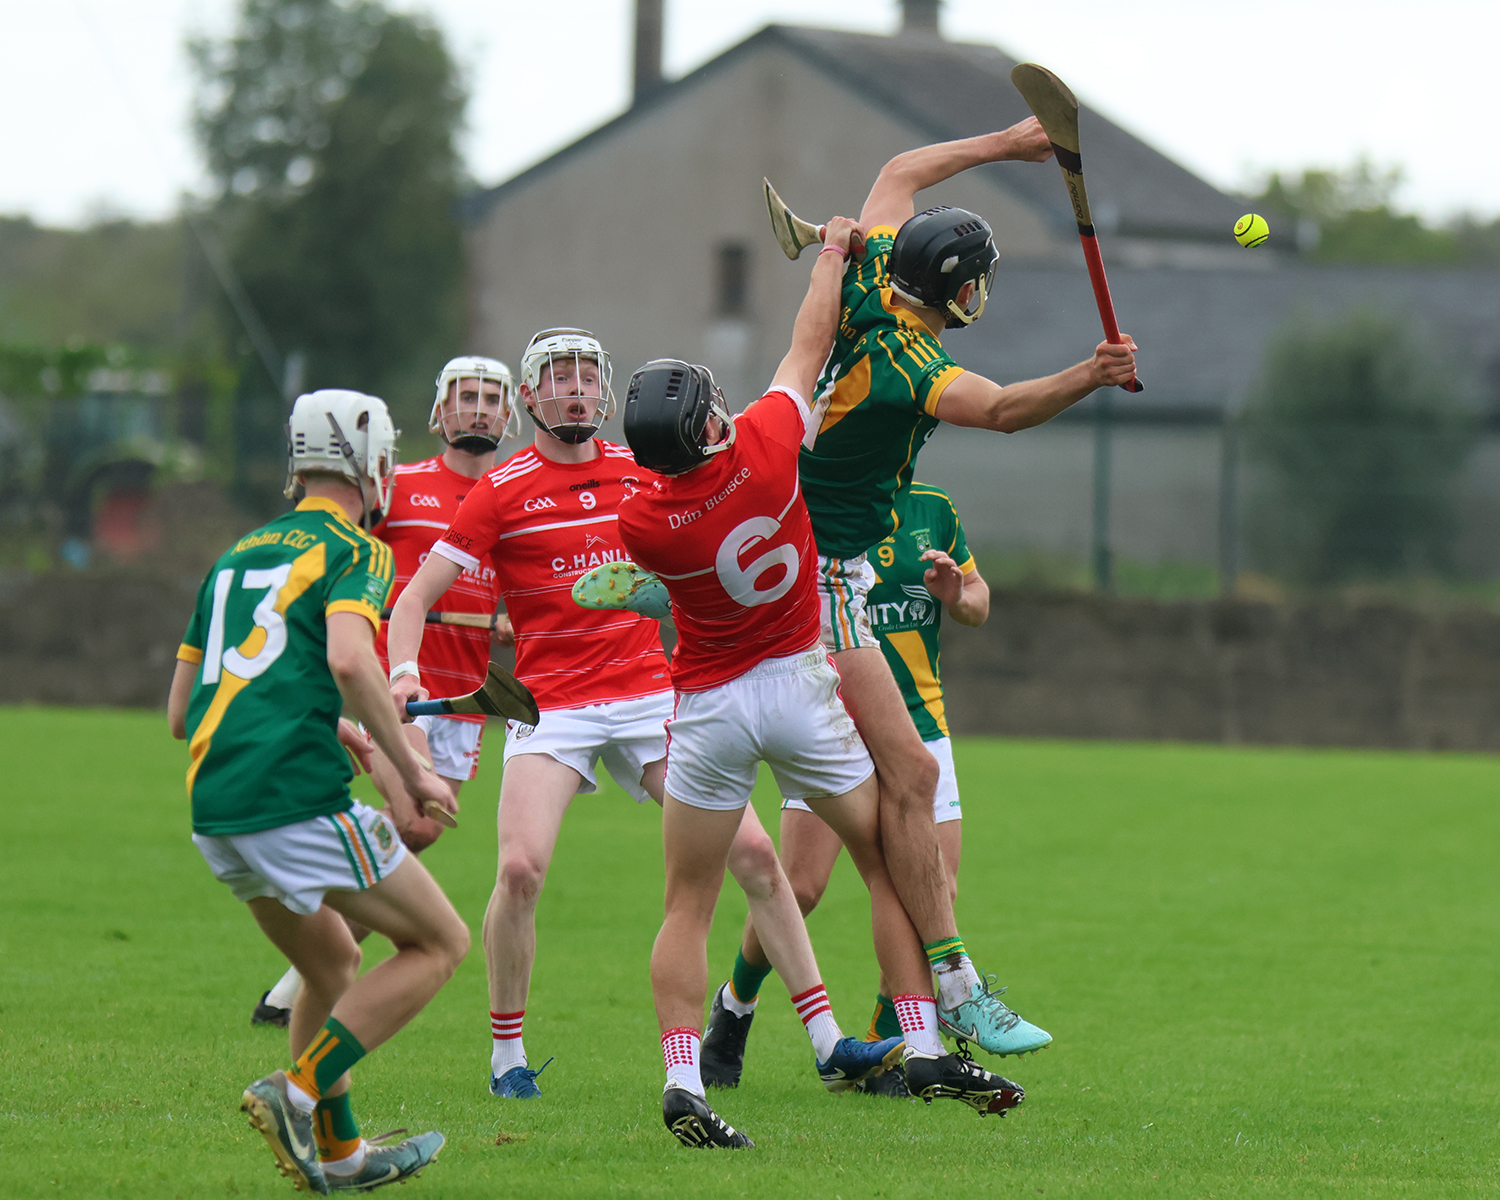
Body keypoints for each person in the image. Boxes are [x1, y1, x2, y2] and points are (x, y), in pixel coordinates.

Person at [615, 216, 1022, 1150]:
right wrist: (835, 250)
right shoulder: (767, 448)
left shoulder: (645, 523)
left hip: (710, 710)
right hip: (801, 687)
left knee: (688, 903)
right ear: (713, 421)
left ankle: (684, 1080)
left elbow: (645, 529)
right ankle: (919, 1041)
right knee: (886, 855)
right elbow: (809, 342)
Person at [386, 329, 826, 1104]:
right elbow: (415, 598)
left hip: (653, 699)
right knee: (519, 870)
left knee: (757, 859)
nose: (576, 390)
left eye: (589, 377)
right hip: (548, 709)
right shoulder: (502, 489)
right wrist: (402, 670)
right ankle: (507, 1052)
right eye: (557, 378)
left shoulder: (644, 471)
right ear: (529, 399)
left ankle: (828, 1041)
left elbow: (704, 550)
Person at [794, 119, 1138, 1057]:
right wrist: (1093, 372)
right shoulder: (912, 364)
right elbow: (1002, 411)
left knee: (859, 823)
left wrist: (1012, 142)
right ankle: (953, 989)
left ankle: (919, 1001)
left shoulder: (866, 278)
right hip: (822, 575)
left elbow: (900, 166)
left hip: (811, 557)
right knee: (903, 784)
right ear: (965, 291)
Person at [168, 388, 469, 1193]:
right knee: (441, 944)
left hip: (215, 808)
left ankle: (337, 1155)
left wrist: (348, 733)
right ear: (374, 463)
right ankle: (293, 1093)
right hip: (292, 799)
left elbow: (181, 710)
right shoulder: (357, 548)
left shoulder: (234, 557)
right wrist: (410, 769)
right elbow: (347, 660)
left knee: (334, 958)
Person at [253, 357, 516, 1029]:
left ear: (509, 413)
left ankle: (310, 959)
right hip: (396, 678)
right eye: (466, 397)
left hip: (464, 691)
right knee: (411, 819)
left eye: (491, 398)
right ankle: (303, 975)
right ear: (440, 411)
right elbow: (338, 547)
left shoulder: (512, 495)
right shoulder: (401, 485)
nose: (478, 409)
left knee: (421, 829)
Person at [703, 481, 989, 1097]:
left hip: (922, 727)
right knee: (800, 887)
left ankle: (893, 1049)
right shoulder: (815, 505)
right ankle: (735, 1005)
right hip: (830, 725)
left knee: (936, 887)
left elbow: (979, 601)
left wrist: (957, 594)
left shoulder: (935, 509)